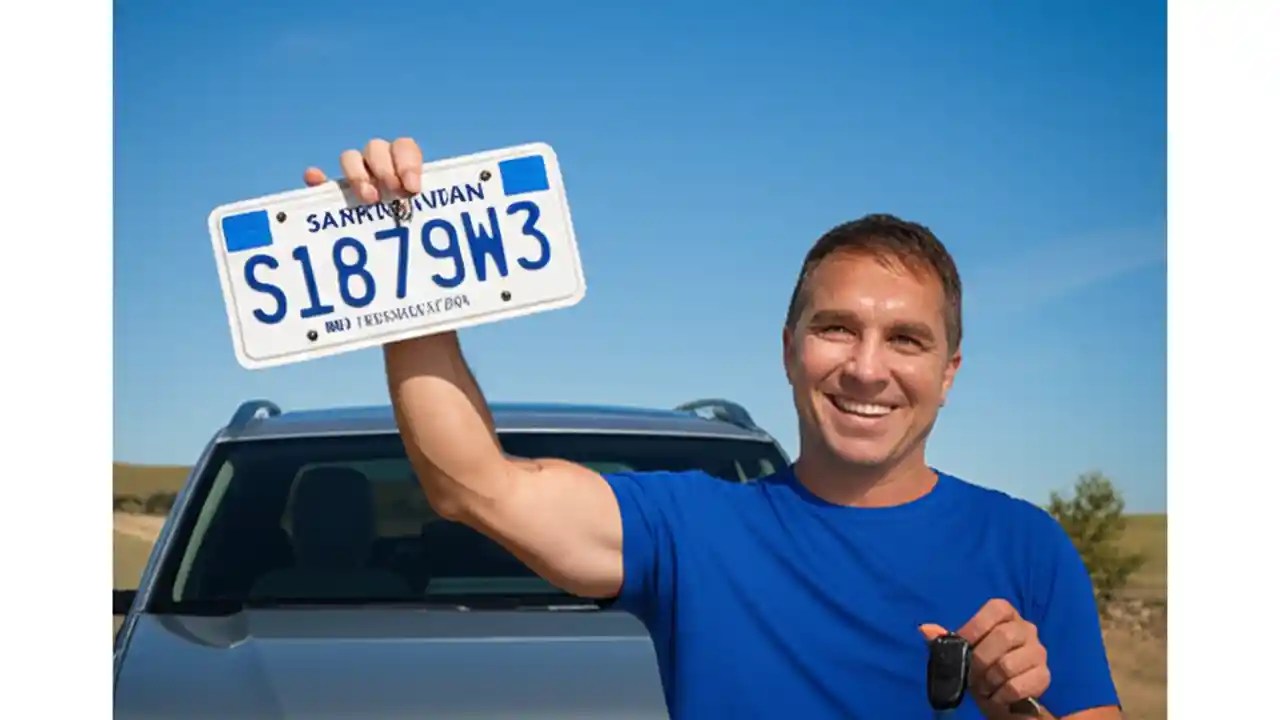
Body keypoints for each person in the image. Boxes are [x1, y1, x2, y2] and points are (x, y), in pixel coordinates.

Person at [301, 137, 1124, 720]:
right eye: (837, 329)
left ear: (948, 372)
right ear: (789, 348)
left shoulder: (1026, 545)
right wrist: (404, 278)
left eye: (906, 340)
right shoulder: (691, 528)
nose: (867, 368)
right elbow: (475, 487)